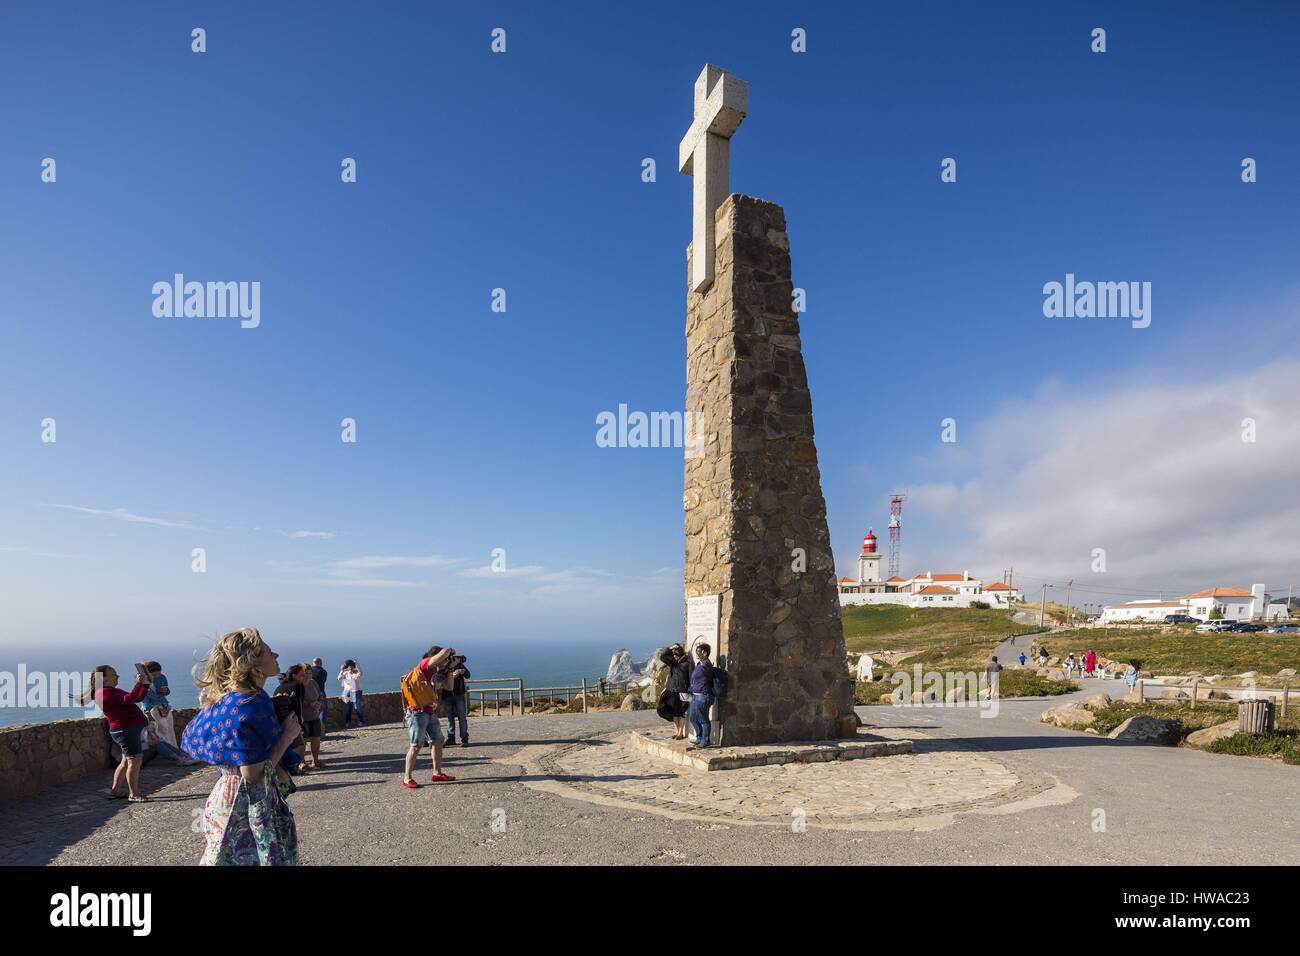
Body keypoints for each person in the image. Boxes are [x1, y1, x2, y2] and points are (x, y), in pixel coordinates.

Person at [183, 627, 300, 865]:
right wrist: (287, 736)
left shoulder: (226, 698)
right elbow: (253, 774)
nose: (276, 654)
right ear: (254, 666)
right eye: (268, 652)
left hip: (223, 795)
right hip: (245, 802)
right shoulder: (252, 704)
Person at [76, 664, 152, 802]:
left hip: (126, 729)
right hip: (126, 730)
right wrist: (138, 684)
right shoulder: (104, 693)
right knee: (135, 760)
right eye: (114, 674)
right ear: (104, 678)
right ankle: (134, 794)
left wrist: (145, 685)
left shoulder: (111, 691)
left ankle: (115, 791)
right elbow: (128, 700)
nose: (117, 676)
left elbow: (136, 698)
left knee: (125, 761)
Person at [400, 646, 457, 788]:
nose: (445, 661)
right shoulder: (425, 665)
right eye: (443, 660)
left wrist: (450, 669)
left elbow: (449, 687)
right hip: (416, 712)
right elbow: (443, 653)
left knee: (438, 740)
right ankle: (407, 778)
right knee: (416, 745)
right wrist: (449, 651)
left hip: (430, 712)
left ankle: (437, 773)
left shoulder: (436, 672)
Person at [657, 644, 694, 739]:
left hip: (682, 691)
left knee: (680, 713)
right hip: (671, 691)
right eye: (674, 656)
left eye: (676, 656)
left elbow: (691, 677)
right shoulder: (673, 663)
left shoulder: (687, 663)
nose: (675, 658)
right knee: (670, 711)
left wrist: (690, 690)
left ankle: (680, 733)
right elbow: (662, 656)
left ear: (681, 655)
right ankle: (677, 731)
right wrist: (670, 648)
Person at [686, 642, 715, 749]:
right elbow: (695, 680)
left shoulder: (706, 664)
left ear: (705, 653)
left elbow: (706, 672)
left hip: (703, 696)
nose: (697, 653)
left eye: (699, 651)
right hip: (695, 696)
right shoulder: (698, 664)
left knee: (703, 719)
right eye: (696, 651)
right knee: (693, 718)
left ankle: (705, 740)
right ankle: (699, 737)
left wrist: (703, 658)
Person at [298, 663, 324, 769]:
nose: (308, 675)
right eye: (306, 673)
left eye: (310, 673)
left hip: (314, 716)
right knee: (302, 741)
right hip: (303, 717)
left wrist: (318, 704)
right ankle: (302, 762)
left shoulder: (313, 683)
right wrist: (309, 704)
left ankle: (315, 761)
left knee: (316, 739)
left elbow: (319, 695)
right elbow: (297, 699)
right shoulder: (299, 685)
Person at [441, 654, 471, 747]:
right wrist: (452, 675)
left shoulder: (460, 665)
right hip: (447, 696)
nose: (456, 660)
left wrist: (463, 671)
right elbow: (441, 677)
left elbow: (468, 675)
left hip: (459, 695)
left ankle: (464, 739)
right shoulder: (444, 666)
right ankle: (451, 739)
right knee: (450, 719)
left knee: (462, 718)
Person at [338, 659, 365, 728]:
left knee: (357, 707)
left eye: (352, 666)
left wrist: (356, 664)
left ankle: (361, 721)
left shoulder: (356, 673)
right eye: (349, 666)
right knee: (348, 708)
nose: (350, 667)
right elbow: (339, 678)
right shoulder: (345, 673)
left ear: (354, 666)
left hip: (356, 691)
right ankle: (348, 722)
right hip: (347, 692)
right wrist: (342, 669)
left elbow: (361, 673)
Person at [309, 658, 328, 730]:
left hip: (310, 692)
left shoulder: (309, 671)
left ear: (313, 663)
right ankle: (322, 728)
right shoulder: (323, 671)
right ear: (321, 663)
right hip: (320, 691)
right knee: (322, 710)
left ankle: (313, 728)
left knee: (311, 710)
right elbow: (324, 681)